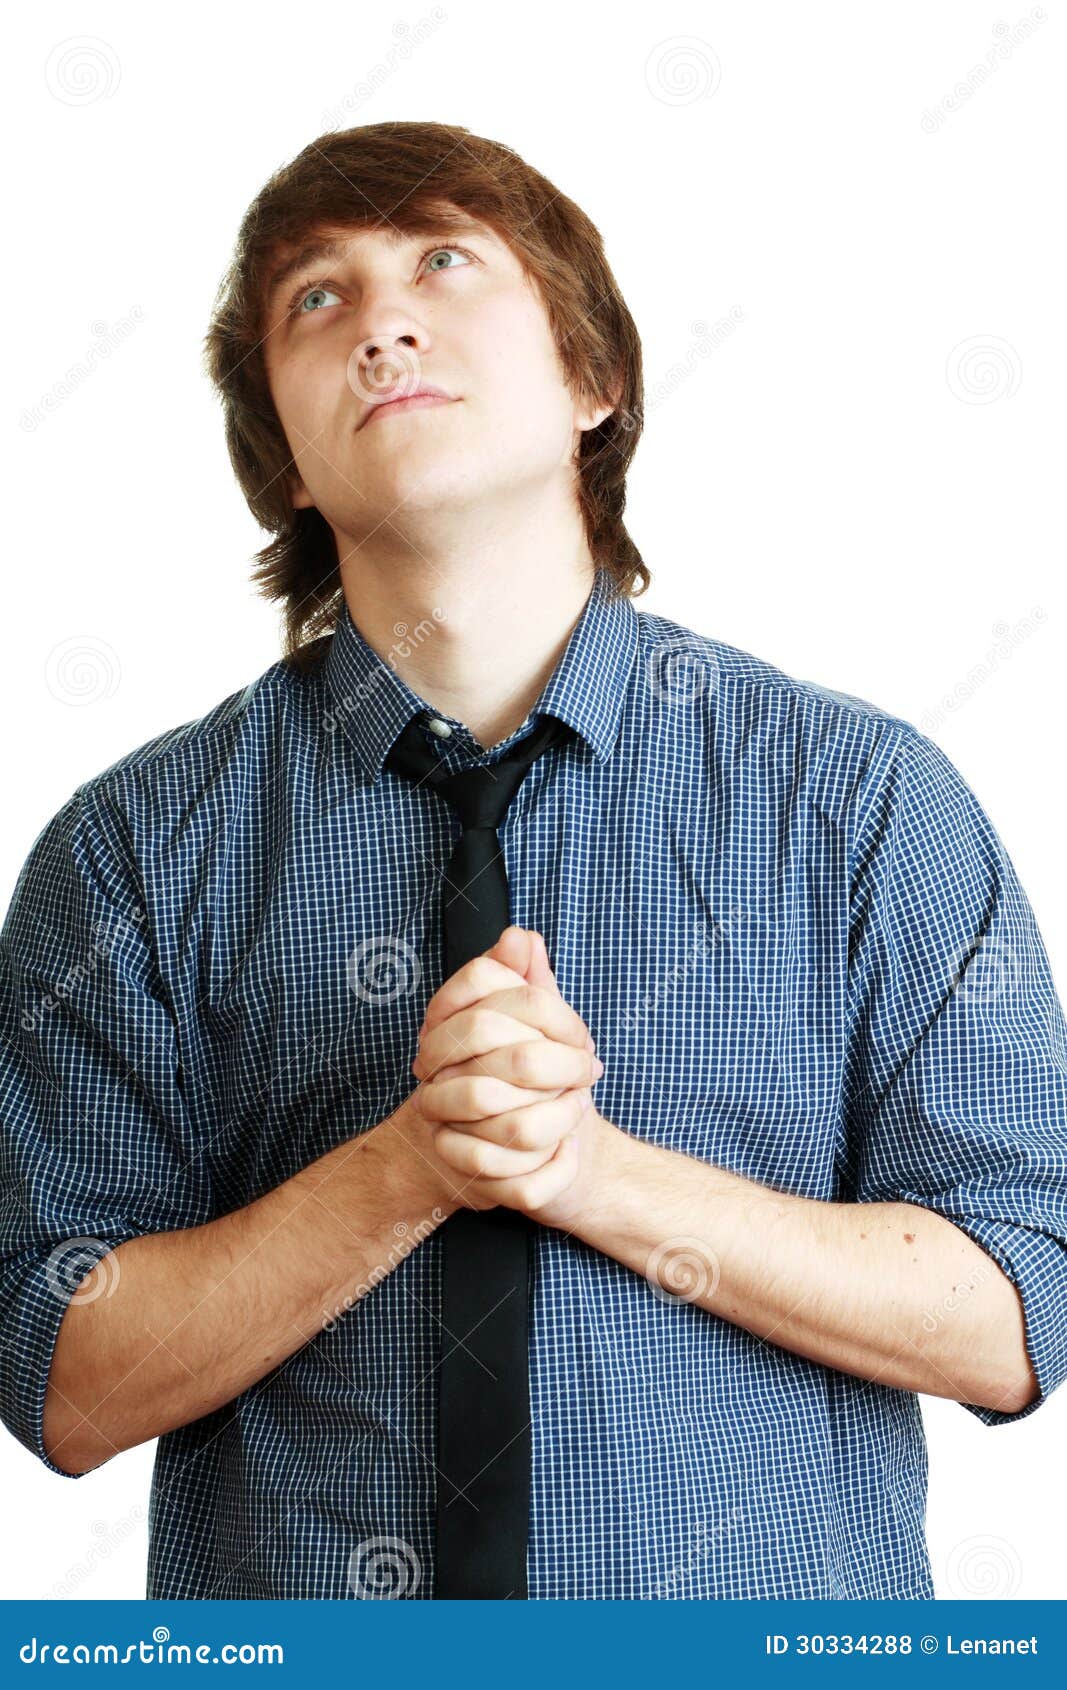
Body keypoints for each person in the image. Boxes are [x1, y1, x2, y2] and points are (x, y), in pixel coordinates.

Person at [1, 121, 1065, 1603]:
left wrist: (593, 1174)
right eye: (317, 297)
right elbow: (58, 1373)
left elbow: (1019, 1305)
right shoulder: (126, 855)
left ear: (592, 378)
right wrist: (403, 1170)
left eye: (444, 258)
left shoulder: (868, 803)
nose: (381, 321)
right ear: (283, 467)